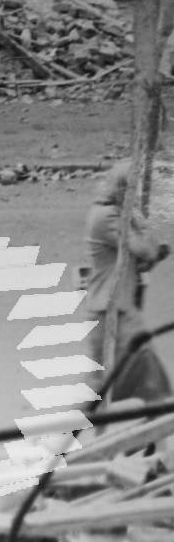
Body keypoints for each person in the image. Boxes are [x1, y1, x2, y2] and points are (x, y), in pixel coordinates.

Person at [85, 160, 173, 405]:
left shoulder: (116, 215)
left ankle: (156, 427)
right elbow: (144, 249)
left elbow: (144, 256)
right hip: (111, 311)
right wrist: (140, 223)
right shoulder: (107, 217)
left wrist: (150, 251)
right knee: (109, 385)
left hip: (121, 309)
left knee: (137, 379)